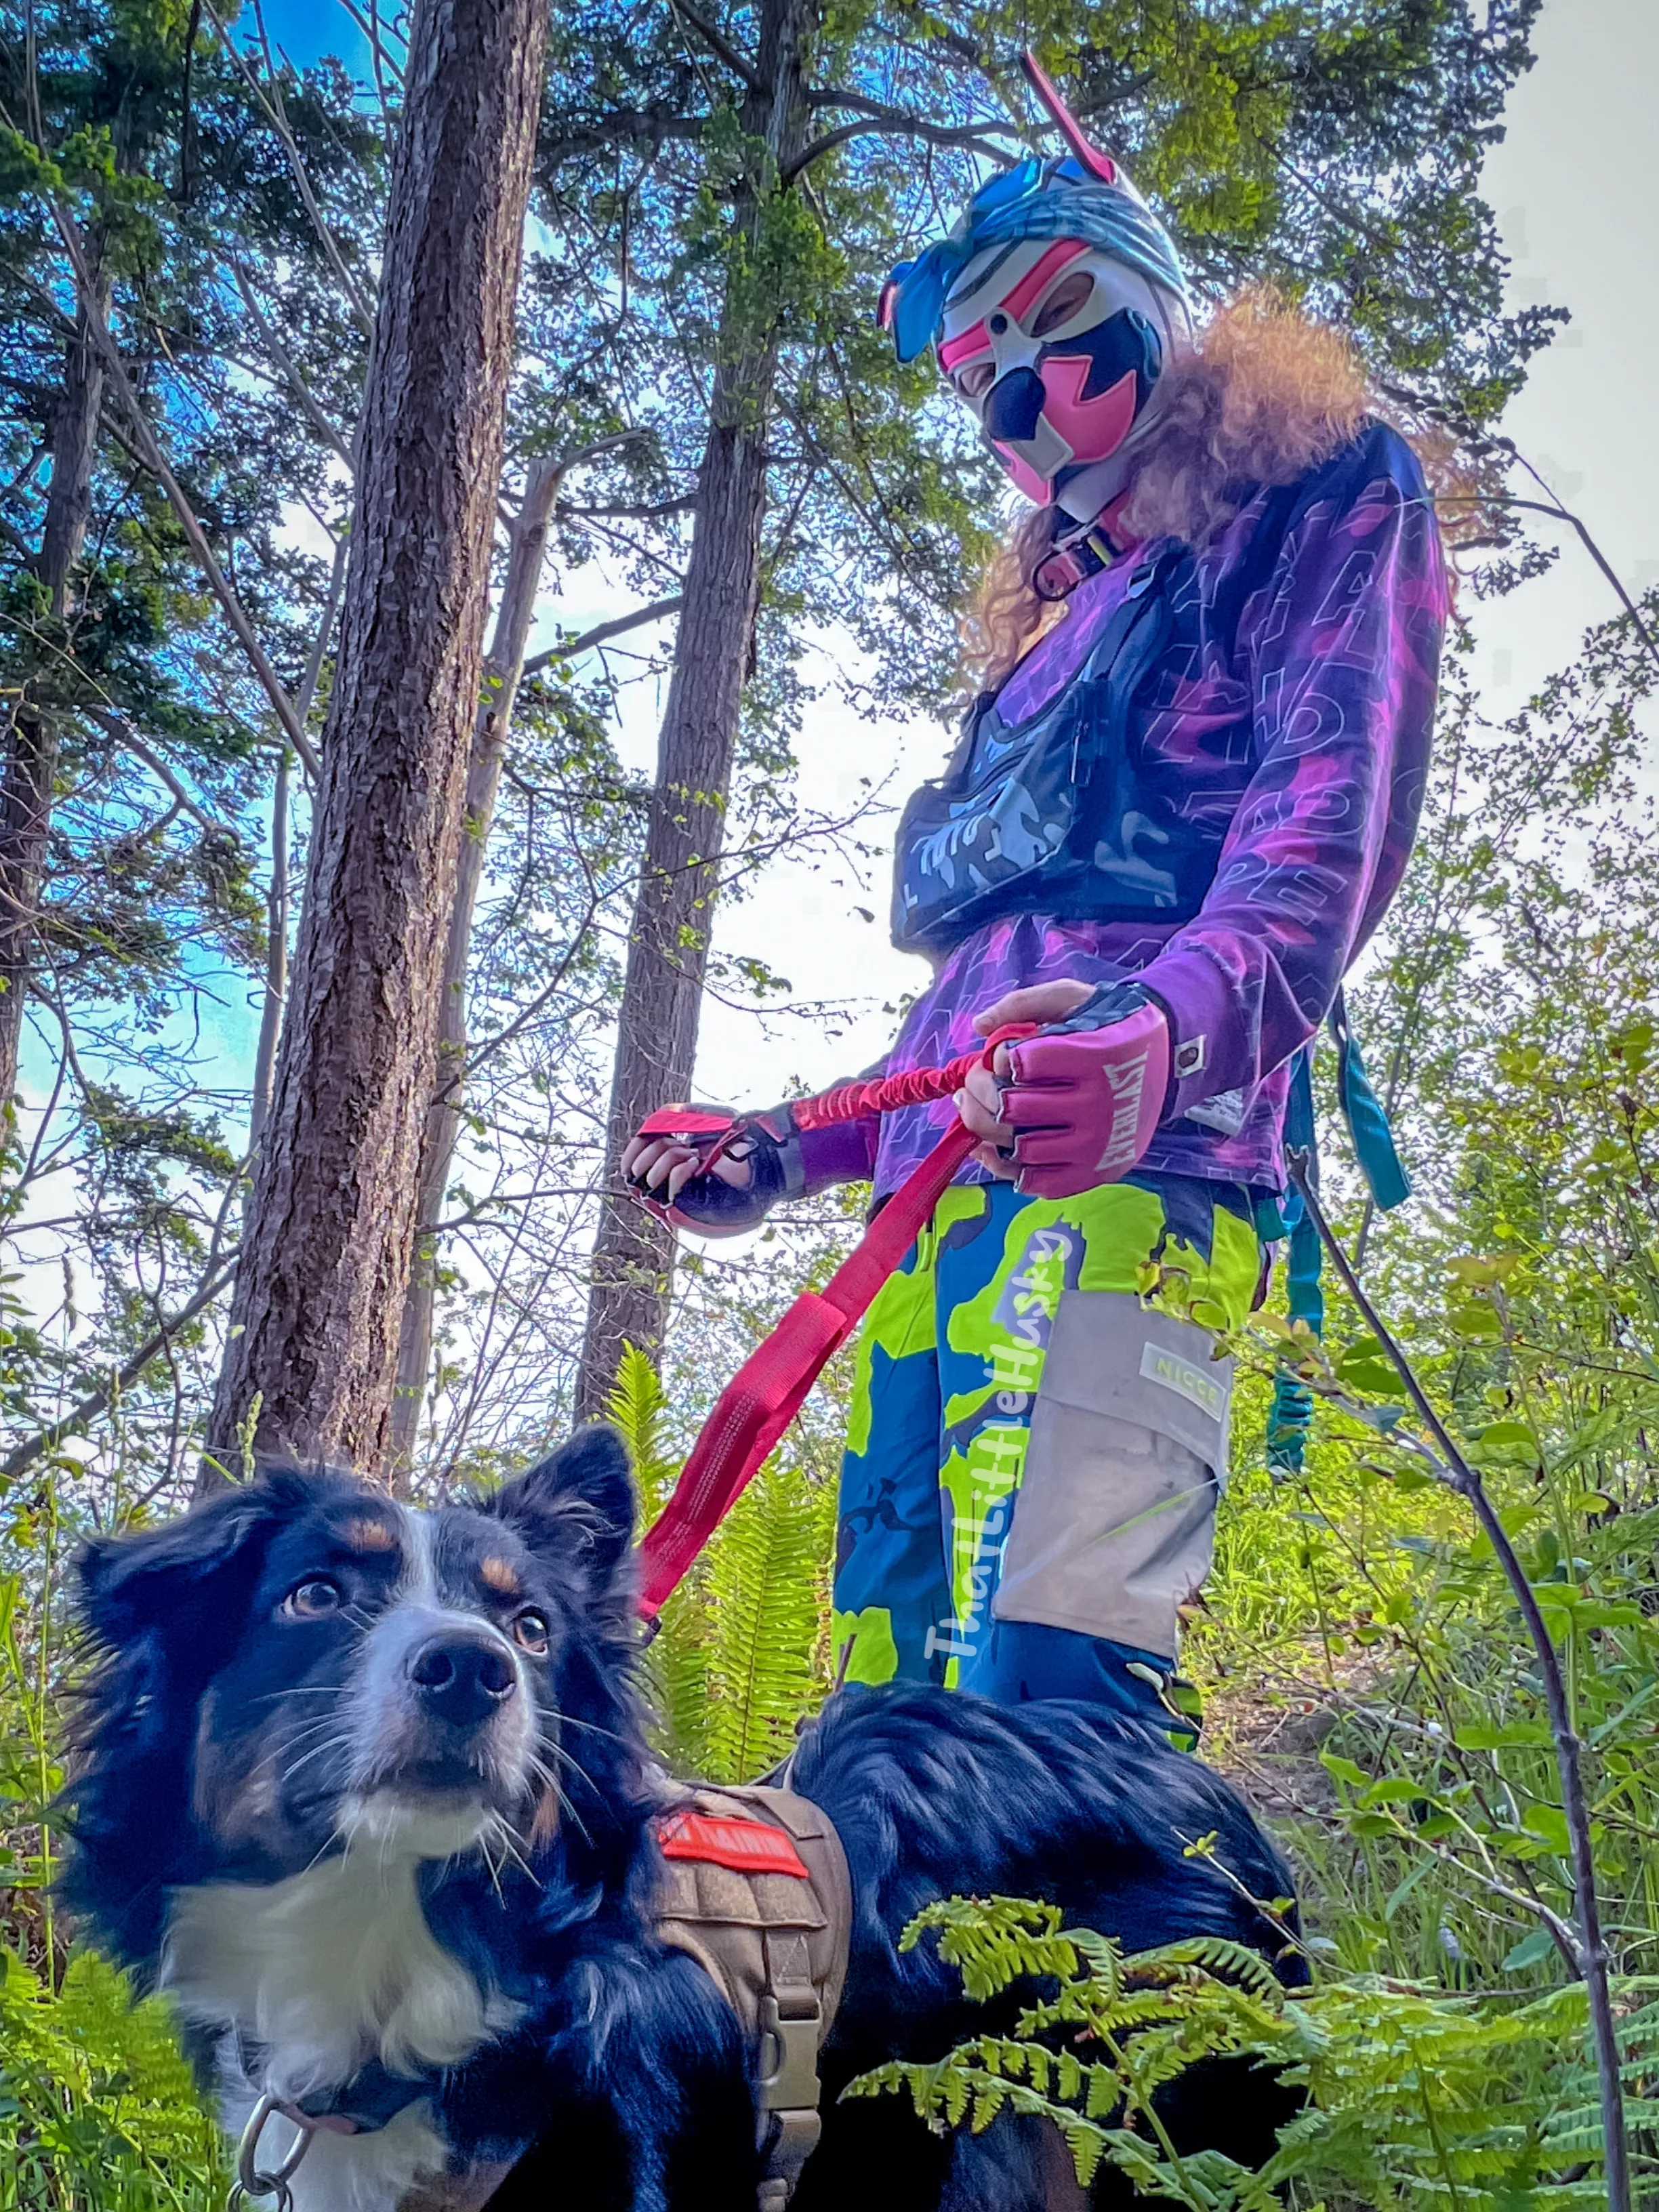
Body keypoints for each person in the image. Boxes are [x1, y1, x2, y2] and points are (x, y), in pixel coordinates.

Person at [623, 60, 1448, 1728]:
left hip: (1146, 1185)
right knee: (885, 1706)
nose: (1019, 398)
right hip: (932, 1217)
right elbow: (973, 1006)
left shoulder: (1323, 497)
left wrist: (1156, 1043)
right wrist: (785, 1142)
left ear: (1158, 304)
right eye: (976, 375)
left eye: (1055, 324)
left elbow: (1321, 836)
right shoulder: (1050, 638)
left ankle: (1116, 1915)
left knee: (1060, 1673)